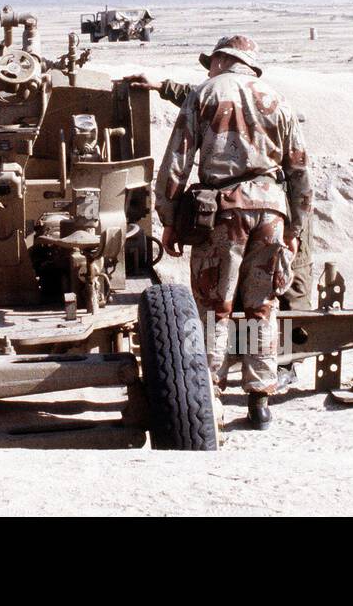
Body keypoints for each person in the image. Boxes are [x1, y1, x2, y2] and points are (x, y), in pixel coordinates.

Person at [126, 35, 312, 429]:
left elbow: (177, 160)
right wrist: (296, 226)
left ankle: (210, 393)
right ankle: (259, 399)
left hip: (223, 215)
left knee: (216, 307)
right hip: (271, 213)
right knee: (261, 306)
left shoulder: (205, 94)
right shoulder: (278, 99)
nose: (207, 68)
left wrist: (169, 218)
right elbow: (299, 171)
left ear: (223, 60)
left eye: (211, 62)